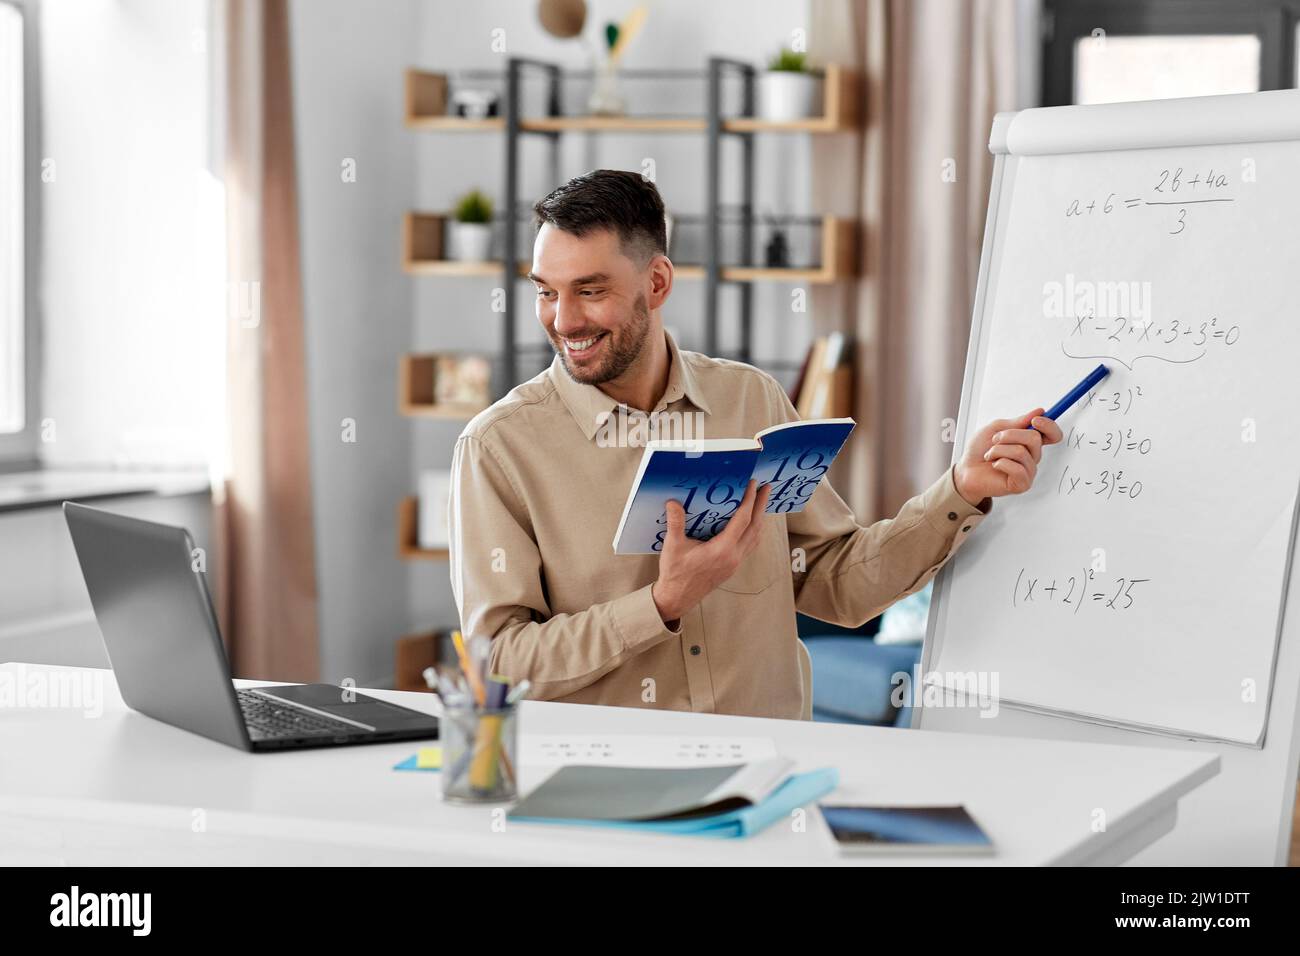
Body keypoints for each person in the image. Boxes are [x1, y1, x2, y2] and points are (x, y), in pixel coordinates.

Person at [448, 169, 1062, 719]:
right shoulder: (500, 449)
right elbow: (500, 661)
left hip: (773, 773)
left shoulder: (751, 401)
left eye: (590, 290)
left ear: (657, 282)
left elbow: (832, 580)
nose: (562, 320)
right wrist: (662, 603)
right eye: (546, 291)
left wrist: (961, 490)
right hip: (612, 784)